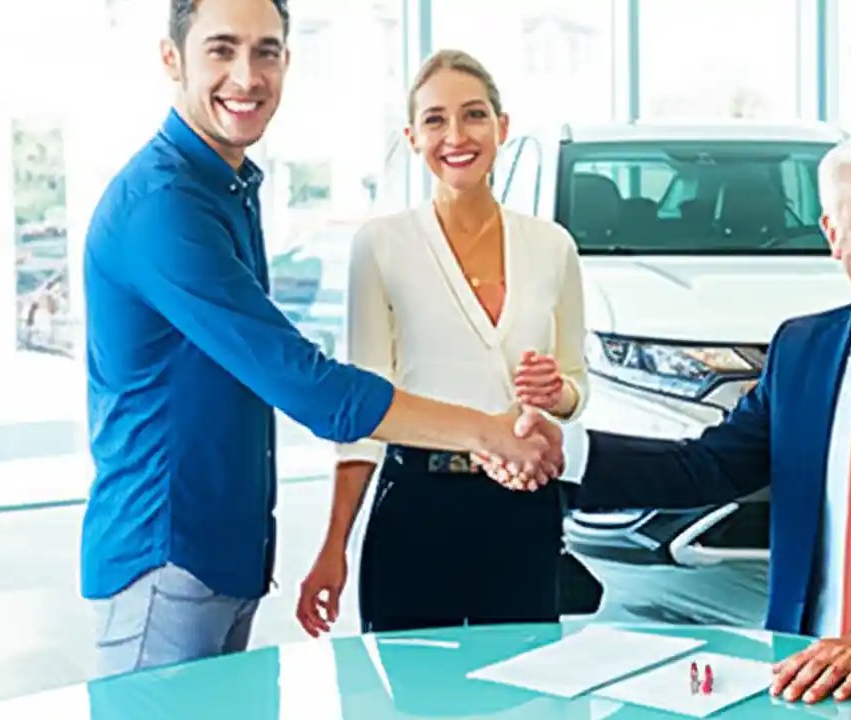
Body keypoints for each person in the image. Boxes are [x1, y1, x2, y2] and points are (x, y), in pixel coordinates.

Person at [484, 123, 851, 704]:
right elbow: (710, 466)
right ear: (833, 235)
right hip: (798, 681)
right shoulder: (801, 350)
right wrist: (568, 450)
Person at [80, 1, 560, 678]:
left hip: (225, 554)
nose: (246, 76)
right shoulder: (164, 205)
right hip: (166, 554)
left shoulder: (227, 187)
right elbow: (309, 385)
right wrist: (488, 431)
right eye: (220, 50)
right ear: (171, 59)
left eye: (266, 51)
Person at [294, 49, 590, 636]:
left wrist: (557, 394)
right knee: (415, 695)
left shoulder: (552, 245)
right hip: (415, 507)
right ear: (412, 136)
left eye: (474, 115)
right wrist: (334, 545)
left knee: (522, 691)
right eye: (434, 120)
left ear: (502, 127)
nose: (456, 135)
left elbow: (577, 388)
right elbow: (366, 409)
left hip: (522, 508)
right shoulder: (380, 244)